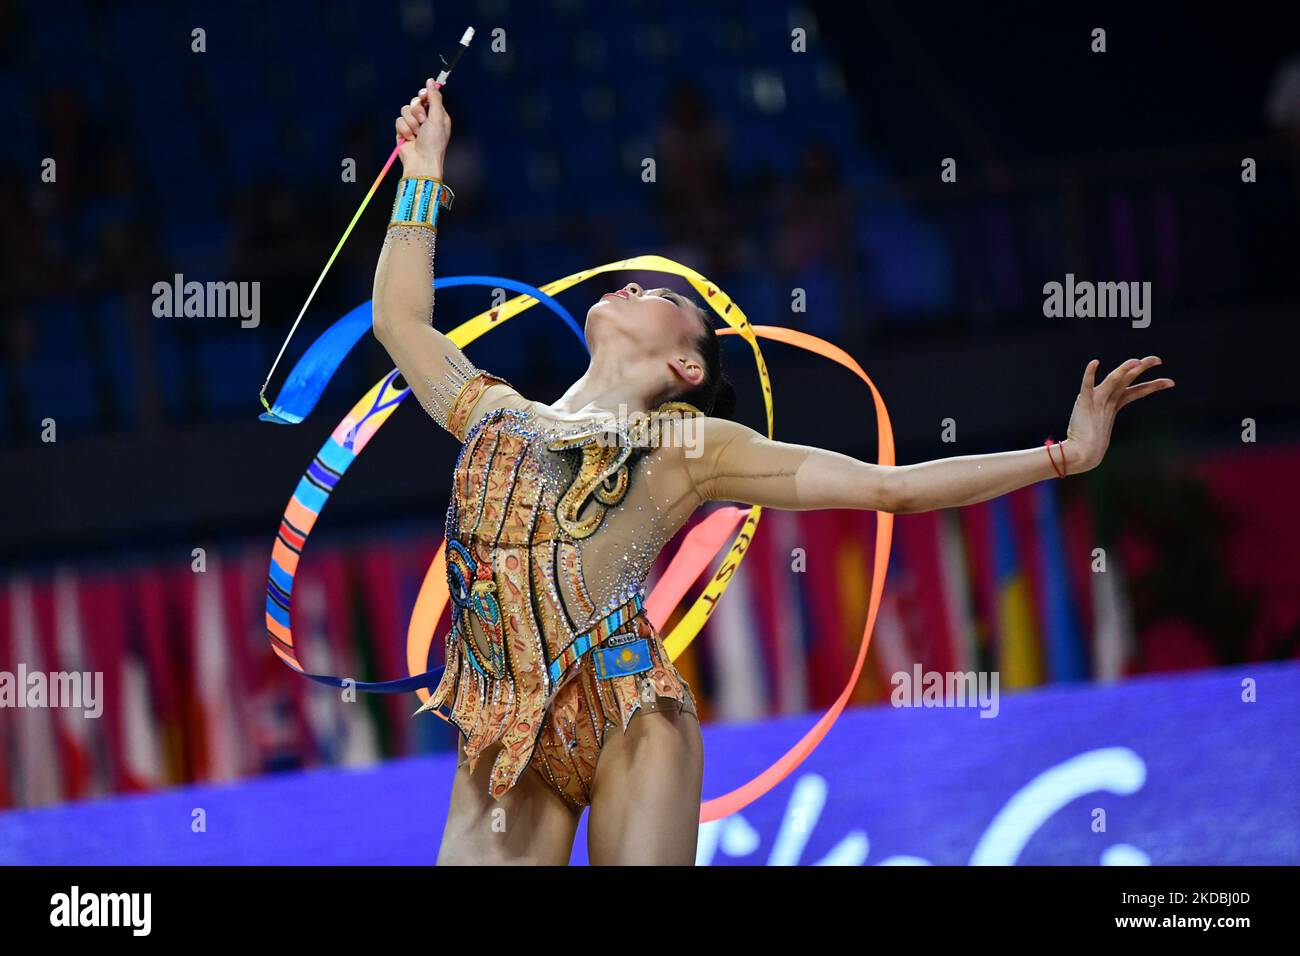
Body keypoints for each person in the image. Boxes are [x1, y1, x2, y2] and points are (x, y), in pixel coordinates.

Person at [372, 79, 1175, 866]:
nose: (635, 281)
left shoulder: (690, 444)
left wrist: (1062, 456)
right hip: (506, 725)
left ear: (687, 361)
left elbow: (887, 487)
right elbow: (399, 319)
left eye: (661, 293)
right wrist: (424, 174)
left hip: (628, 713)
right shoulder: (492, 412)